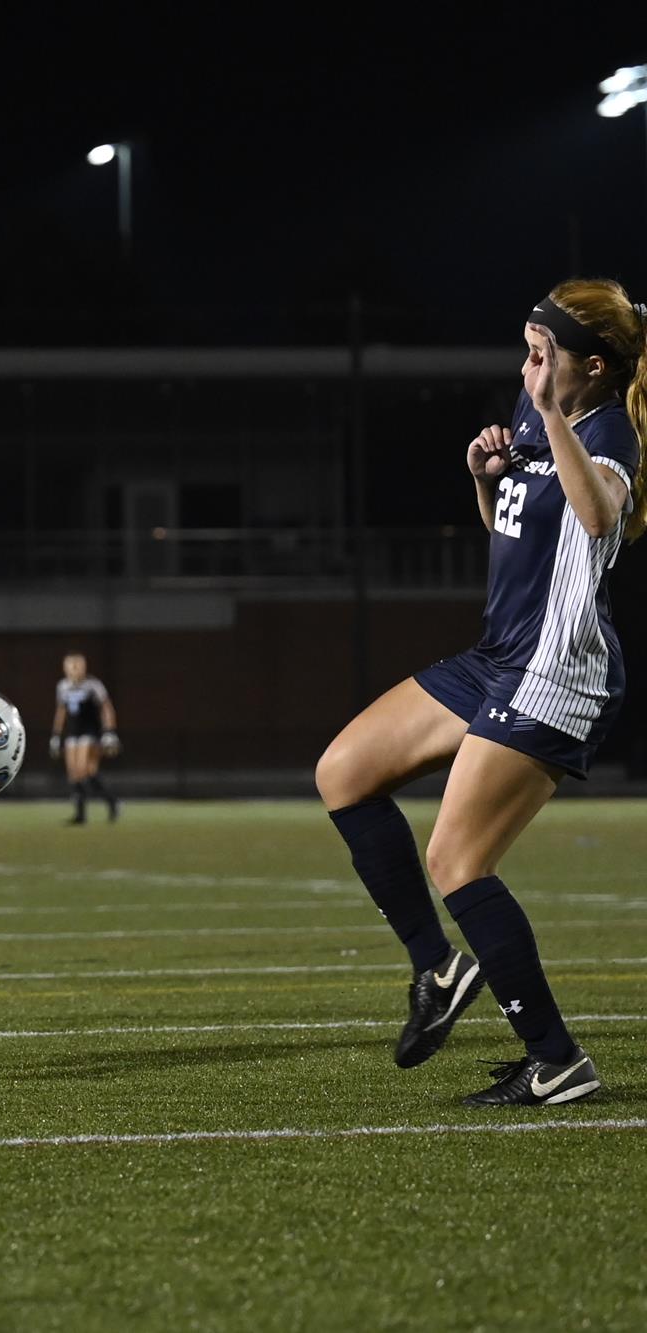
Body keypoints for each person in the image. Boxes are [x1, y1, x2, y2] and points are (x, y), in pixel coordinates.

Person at [316, 279, 647, 1107]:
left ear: (594, 366)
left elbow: (600, 517)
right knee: (343, 772)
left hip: (556, 672)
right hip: (499, 654)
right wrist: (483, 474)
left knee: (458, 861)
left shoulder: (607, 431)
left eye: (543, 353)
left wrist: (552, 419)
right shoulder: (544, 408)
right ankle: (437, 964)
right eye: (528, 349)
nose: (527, 366)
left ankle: (557, 1058)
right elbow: (521, 533)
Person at [49, 653, 120, 823]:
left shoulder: (92, 685)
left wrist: (110, 731)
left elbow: (106, 707)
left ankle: (92, 810)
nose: (74, 669)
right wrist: (56, 735)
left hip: (90, 732)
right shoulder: (63, 686)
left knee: (82, 770)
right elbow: (61, 711)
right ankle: (102, 805)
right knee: (77, 774)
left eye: (77, 665)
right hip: (72, 733)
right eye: (70, 665)